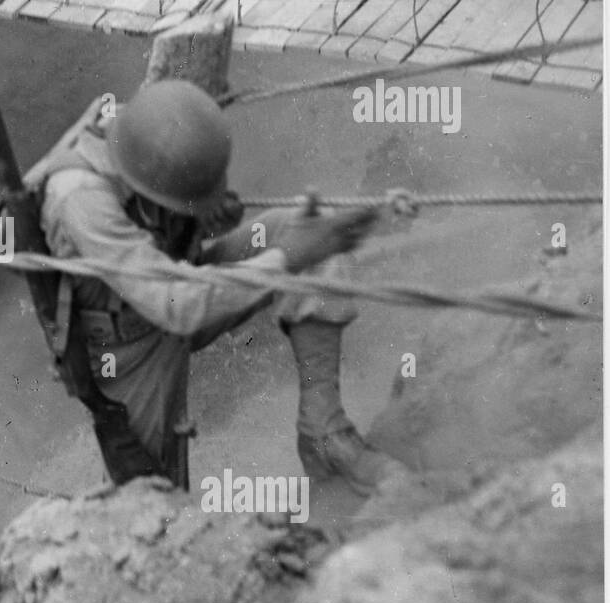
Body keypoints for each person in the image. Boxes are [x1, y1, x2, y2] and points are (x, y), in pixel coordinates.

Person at [27, 76, 409, 496]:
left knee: (308, 230)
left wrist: (206, 212)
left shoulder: (144, 134)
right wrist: (285, 258)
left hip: (180, 282)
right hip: (126, 350)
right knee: (150, 498)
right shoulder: (80, 197)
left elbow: (172, 246)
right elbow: (177, 304)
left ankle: (325, 431)